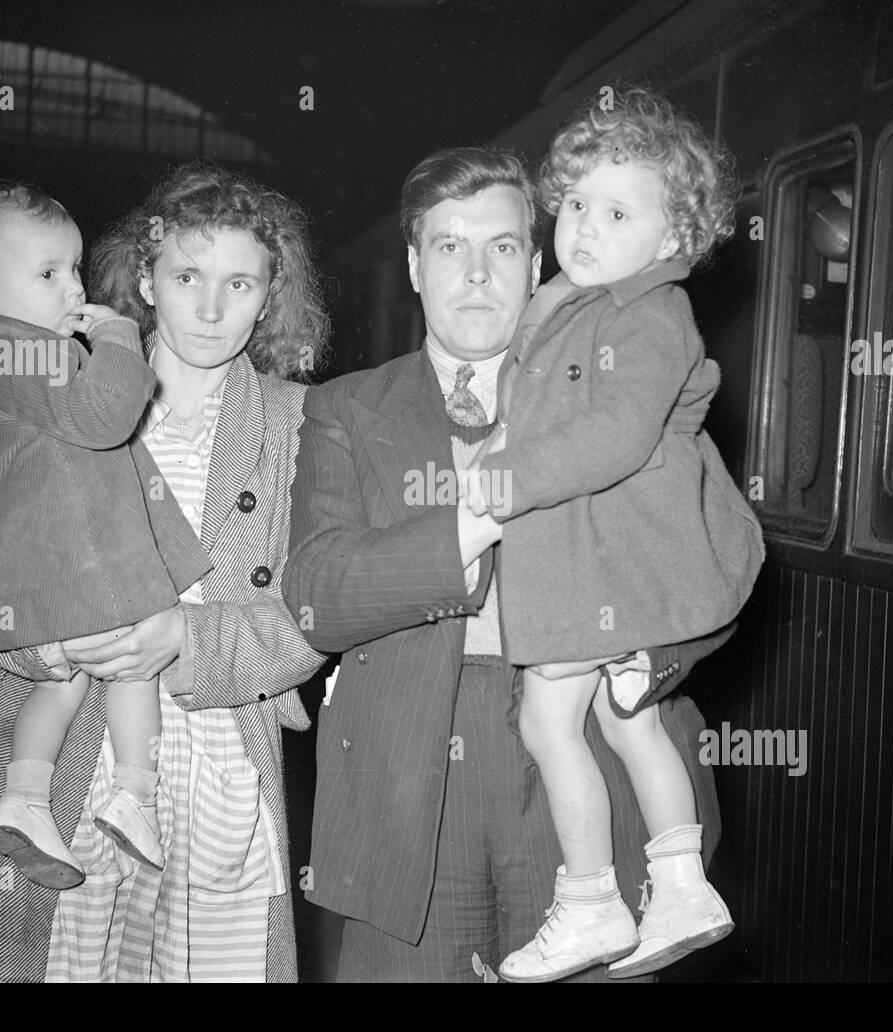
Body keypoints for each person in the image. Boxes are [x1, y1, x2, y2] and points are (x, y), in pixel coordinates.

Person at [285, 145, 734, 982]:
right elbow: (316, 597)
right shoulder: (346, 410)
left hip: (596, 758)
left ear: (537, 263)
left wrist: (649, 660)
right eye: (449, 247)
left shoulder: (629, 385)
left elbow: (717, 554)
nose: (477, 272)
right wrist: (472, 519)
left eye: (500, 247)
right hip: (414, 782)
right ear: (415, 268)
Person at [0, 161, 328, 982]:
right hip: (53, 759)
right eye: (187, 275)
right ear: (146, 281)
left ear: (271, 295)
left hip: (218, 777)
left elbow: (320, 613)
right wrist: (37, 647)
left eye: (240, 282)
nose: (208, 306)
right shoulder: (49, 370)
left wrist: (189, 641)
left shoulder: (305, 422)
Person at [465, 88, 764, 982]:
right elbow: (534, 384)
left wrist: (501, 480)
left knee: (546, 721)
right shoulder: (581, 303)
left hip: (613, 554)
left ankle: (590, 899)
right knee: (628, 722)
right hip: (613, 559)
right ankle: (679, 887)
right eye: (577, 205)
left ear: (673, 240)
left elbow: (615, 434)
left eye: (618, 211)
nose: (585, 227)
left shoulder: (649, 315)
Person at [0, 179, 212, 891]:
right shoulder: (24, 351)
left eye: (75, 269)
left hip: (17, 585)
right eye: (48, 273)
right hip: (79, 568)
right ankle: (134, 793)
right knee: (135, 667)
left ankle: (26, 802)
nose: (72, 289)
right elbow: (104, 419)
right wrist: (119, 339)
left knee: (61, 686)